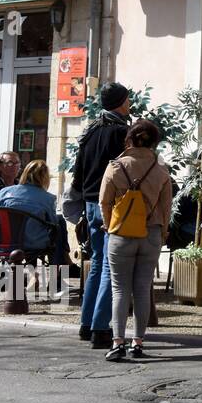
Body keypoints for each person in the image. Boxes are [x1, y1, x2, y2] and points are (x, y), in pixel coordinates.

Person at [100, 120, 172, 361]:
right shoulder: (161, 170)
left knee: (120, 289)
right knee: (142, 290)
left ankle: (117, 342)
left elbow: (104, 202)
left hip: (121, 233)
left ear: (129, 139)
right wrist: (162, 234)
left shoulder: (116, 167)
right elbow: (166, 207)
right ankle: (138, 342)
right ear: (155, 142)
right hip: (150, 233)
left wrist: (110, 224)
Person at [72, 82, 133, 348]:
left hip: (89, 202)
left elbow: (78, 170)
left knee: (98, 263)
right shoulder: (122, 132)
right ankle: (100, 328)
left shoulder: (91, 129)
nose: (129, 105)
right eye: (128, 100)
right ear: (121, 102)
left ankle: (86, 324)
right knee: (110, 265)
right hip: (111, 203)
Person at [0, 160, 64, 263]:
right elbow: (53, 223)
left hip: (5, 242)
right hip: (33, 242)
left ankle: (31, 274)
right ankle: (57, 268)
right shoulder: (48, 198)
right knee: (58, 226)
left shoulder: (5, 192)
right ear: (45, 178)